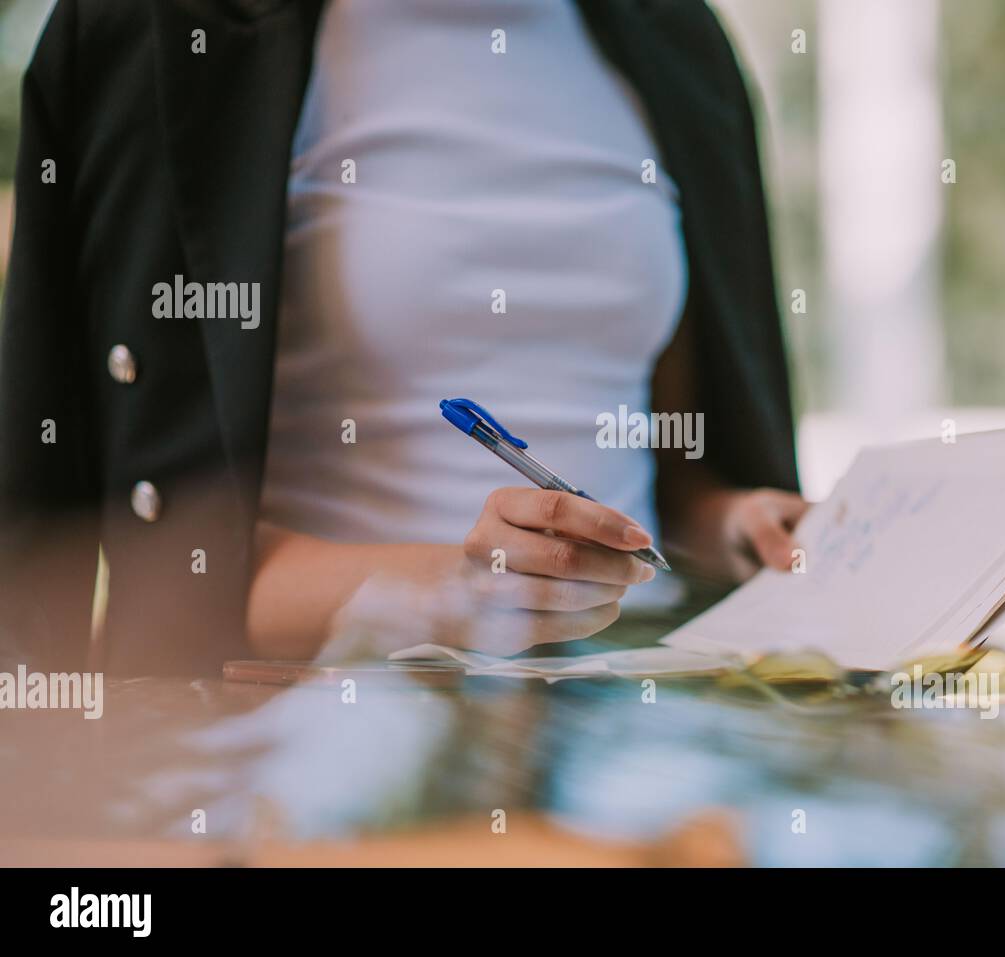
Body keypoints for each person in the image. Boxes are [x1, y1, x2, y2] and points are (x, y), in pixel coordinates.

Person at [0, 0, 805, 676]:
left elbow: (677, 471)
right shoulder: (155, 31)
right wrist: (454, 590)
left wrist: (733, 526)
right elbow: (159, 560)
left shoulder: (677, 38)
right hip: (308, 741)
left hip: (637, 718)